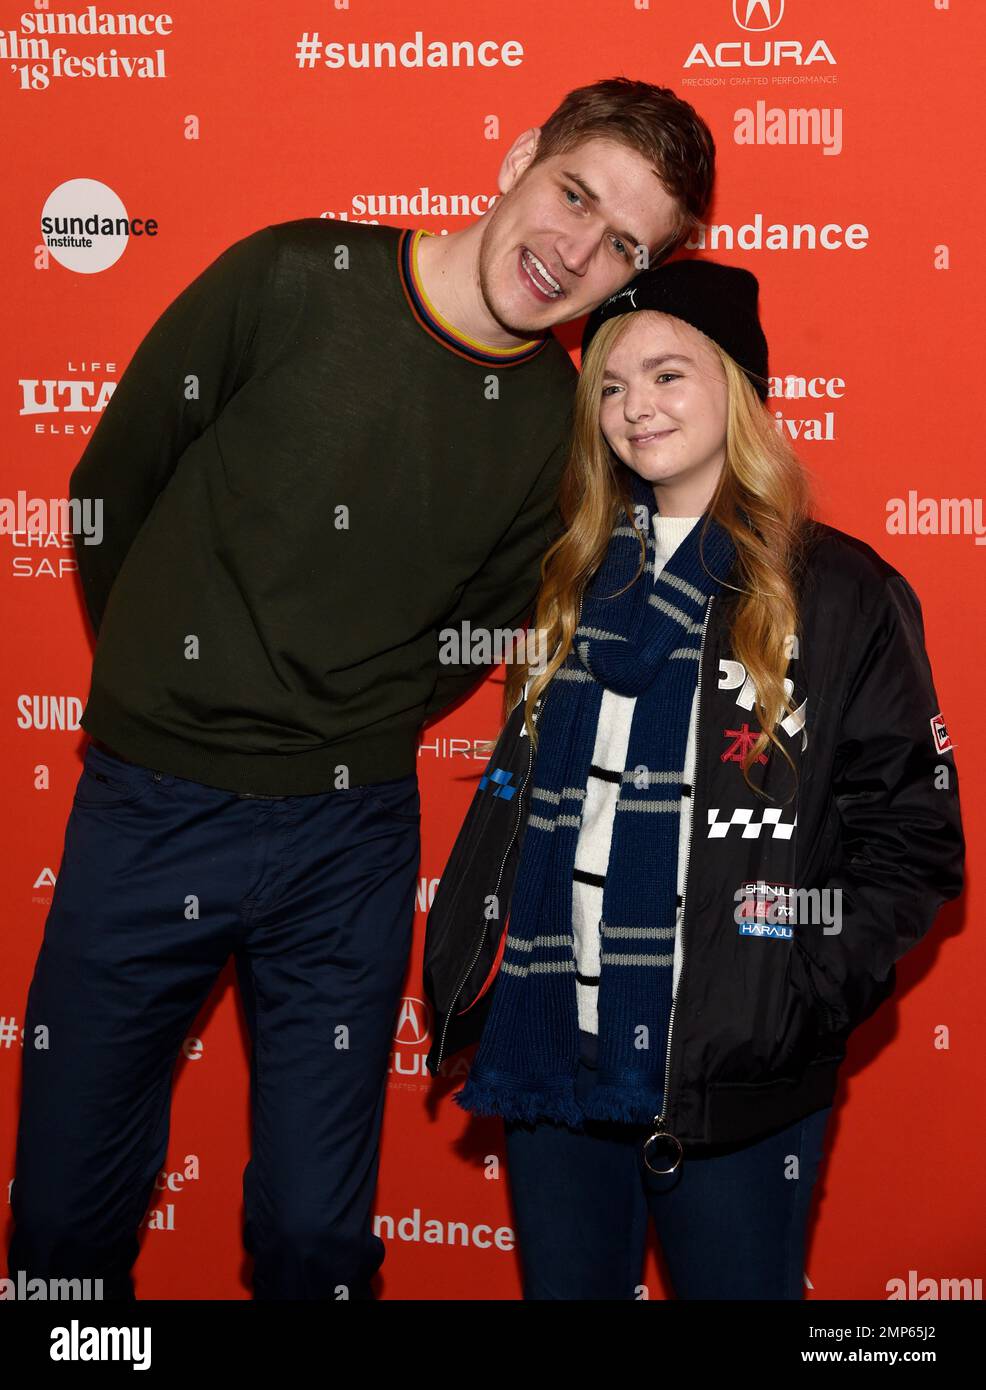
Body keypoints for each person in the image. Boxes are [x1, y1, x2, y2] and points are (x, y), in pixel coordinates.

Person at [5, 79, 717, 1300]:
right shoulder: (290, 277)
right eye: (572, 195)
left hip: (347, 838)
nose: (572, 253)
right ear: (518, 156)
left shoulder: (561, 427)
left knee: (315, 1241)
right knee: (65, 1225)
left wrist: (343, 724)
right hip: (149, 809)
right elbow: (112, 480)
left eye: (620, 247)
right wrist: (166, 684)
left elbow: (480, 624)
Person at [451, 258, 965, 1300]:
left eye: (667, 374)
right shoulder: (569, 578)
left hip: (736, 1083)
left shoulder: (837, 591)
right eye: (608, 383)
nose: (634, 407)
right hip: (555, 1061)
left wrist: (791, 999)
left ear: (737, 388)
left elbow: (911, 840)